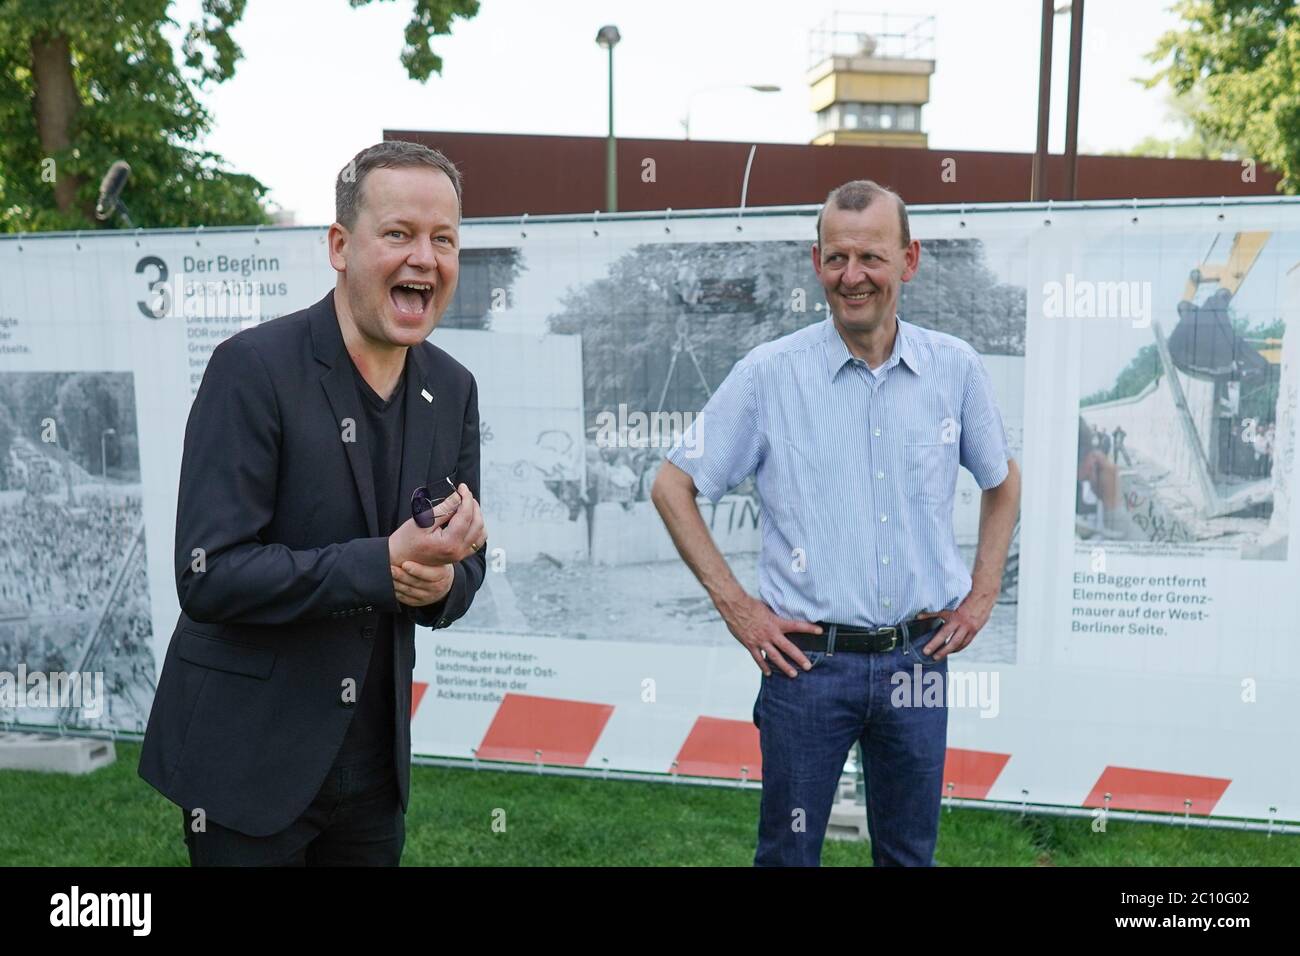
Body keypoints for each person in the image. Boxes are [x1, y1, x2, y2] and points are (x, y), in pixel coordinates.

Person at [651, 179, 1020, 866]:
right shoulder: (770, 376)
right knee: (787, 856)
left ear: (908, 261)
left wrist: (983, 593)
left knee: (909, 856)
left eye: (872, 258)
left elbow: (1003, 481)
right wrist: (739, 609)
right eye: (836, 258)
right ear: (815, 259)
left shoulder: (955, 370)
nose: (853, 277)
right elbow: (673, 486)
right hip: (806, 668)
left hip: (918, 660)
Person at [139, 141, 488, 866]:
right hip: (247, 763)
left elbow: (464, 564)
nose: (425, 257)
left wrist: (448, 578)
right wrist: (380, 567)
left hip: (374, 774)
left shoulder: (452, 389)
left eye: (444, 238)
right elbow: (210, 575)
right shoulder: (252, 369)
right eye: (398, 234)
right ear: (339, 245)